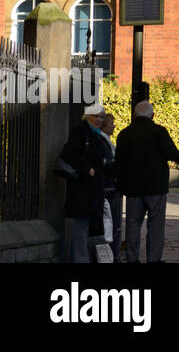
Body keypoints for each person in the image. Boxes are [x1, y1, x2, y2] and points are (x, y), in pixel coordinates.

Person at [115, 101, 179, 263]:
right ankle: (153, 259)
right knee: (155, 226)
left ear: (134, 115)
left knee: (133, 225)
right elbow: (172, 154)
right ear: (153, 116)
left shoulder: (125, 133)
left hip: (133, 187)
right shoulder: (159, 131)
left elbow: (118, 161)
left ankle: (132, 258)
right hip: (156, 187)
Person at [58, 102, 110, 262]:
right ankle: (81, 259)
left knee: (87, 227)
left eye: (102, 117)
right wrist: (88, 169)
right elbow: (69, 154)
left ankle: (84, 258)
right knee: (81, 227)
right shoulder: (81, 131)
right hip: (83, 189)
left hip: (93, 189)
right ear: (88, 115)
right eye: (96, 116)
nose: (99, 120)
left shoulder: (95, 134)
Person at [99, 113, 122, 262]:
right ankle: (111, 256)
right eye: (111, 123)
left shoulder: (105, 140)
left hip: (110, 187)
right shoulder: (102, 141)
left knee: (111, 224)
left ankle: (113, 255)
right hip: (108, 188)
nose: (114, 126)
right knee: (109, 224)